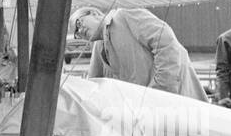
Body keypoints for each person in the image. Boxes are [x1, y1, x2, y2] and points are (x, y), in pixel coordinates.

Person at [76, 6, 207, 101]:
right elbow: (94, 83)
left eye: (79, 23)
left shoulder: (124, 15)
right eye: (76, 33)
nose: (80, 31)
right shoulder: (99, 46)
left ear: (93, 13)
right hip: (145, 115)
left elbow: (168, 47)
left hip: (177, 101)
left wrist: (157, 92)